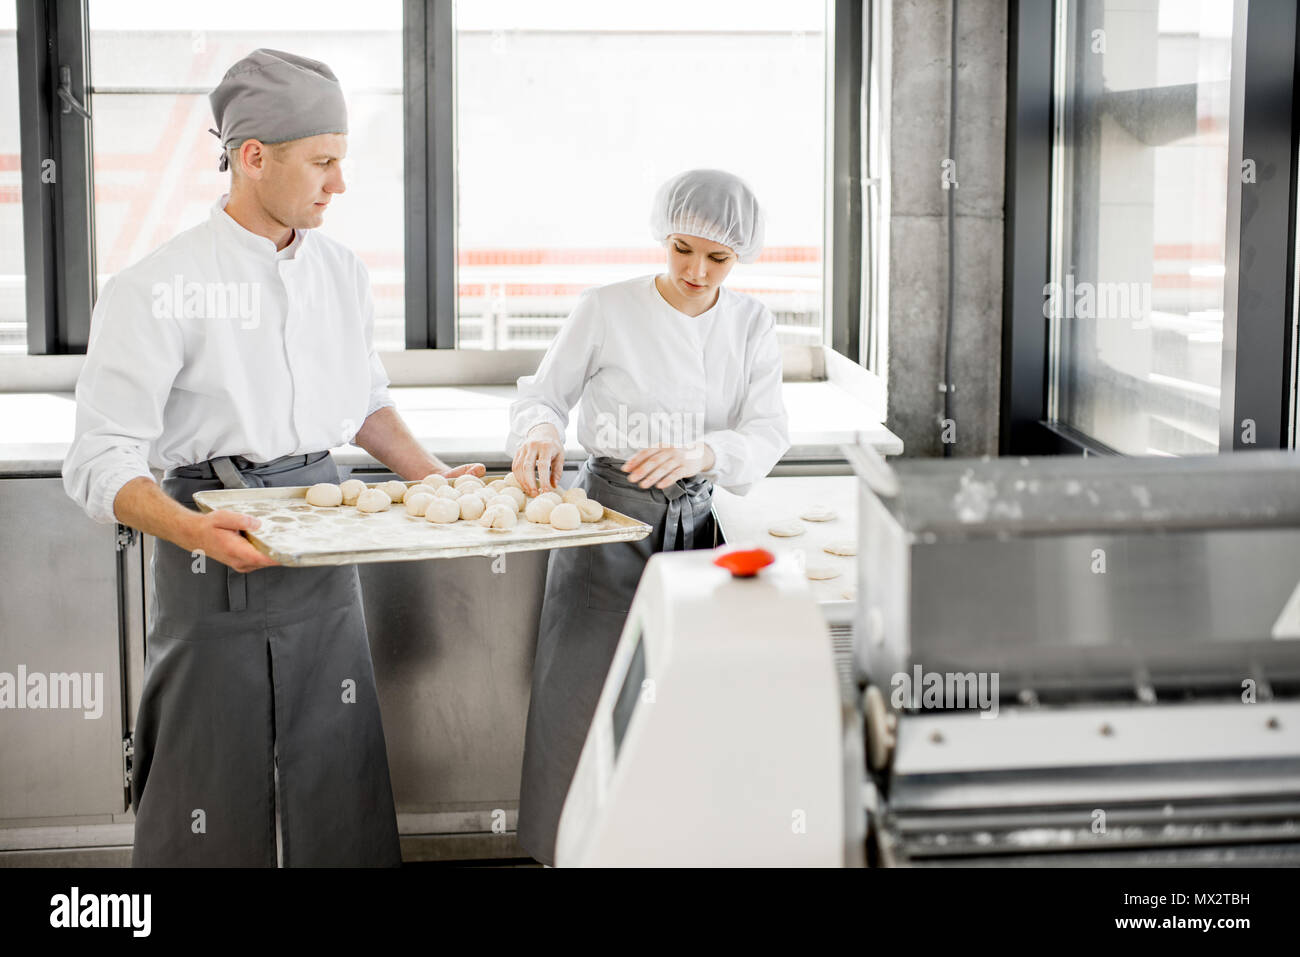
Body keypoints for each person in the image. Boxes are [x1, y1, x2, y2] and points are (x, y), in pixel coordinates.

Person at [62, 49, 484, 867]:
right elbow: (99, 458)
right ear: (253, 156)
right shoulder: (156, 287)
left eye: (342, 161)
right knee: (208, 765)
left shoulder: (341, 273)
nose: (340, 183)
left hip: (325, 545)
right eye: (323, 162)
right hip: (209, 542)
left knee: (337, 755)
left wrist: (432, 476)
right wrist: (192, 531)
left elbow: (363, 401)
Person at [507, 168, 791, 864]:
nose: (696, 271)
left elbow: (769, 429)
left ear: (741, 255)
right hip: (606, 519)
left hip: (698, 529)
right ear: (663, 236)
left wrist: (706, 451)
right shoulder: (607, 308)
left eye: (717, 257)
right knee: (582, 691)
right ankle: (566, 853)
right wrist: (540, 432)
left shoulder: (752, 323)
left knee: (685, 696)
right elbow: (543, 396)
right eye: (682, 249)